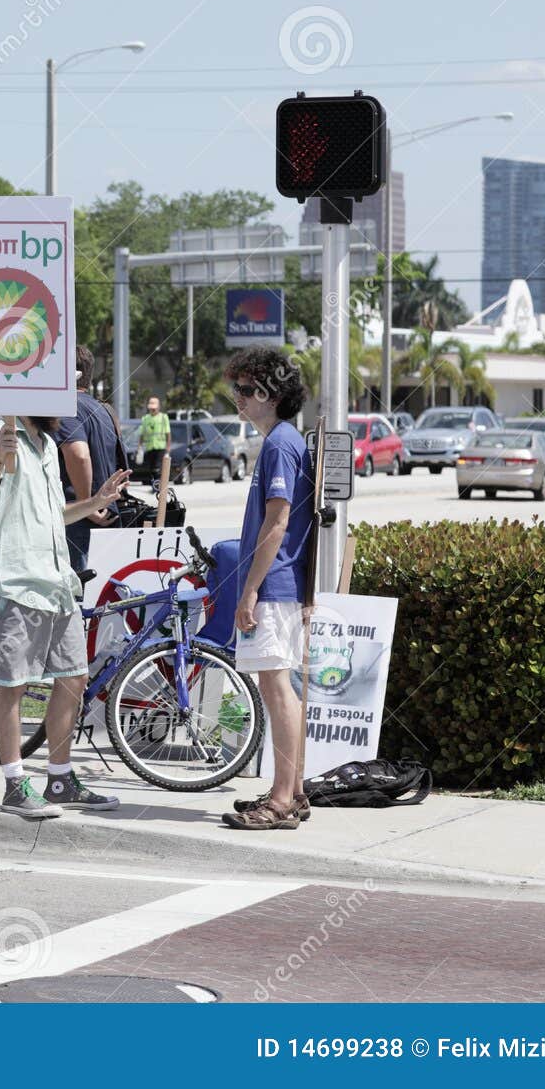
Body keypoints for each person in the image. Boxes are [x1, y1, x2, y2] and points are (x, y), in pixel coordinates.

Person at [0, 414, 130, 818]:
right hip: (12, 581)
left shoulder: (48, 447)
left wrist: (95, 503)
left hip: (56, 582)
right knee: (12, 684)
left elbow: (54, 513)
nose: (66, 407)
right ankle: (15, 783)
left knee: (74, 677)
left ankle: (60, 778)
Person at [221, 346, 315, 832]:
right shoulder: (284, 440)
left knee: (277, 689)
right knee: (279, 687)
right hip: (281, 584)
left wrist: (250, 590)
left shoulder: (280, 443)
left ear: (268, 393)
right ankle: (292, 791)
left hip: (274, 584)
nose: (237, 398)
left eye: (244, 389)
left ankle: (281, 799)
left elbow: (276, 522)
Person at [52, 347, 124, 572]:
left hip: (78, 520)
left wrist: (87, 505)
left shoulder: (66, 406)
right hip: (107, 515)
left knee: (78, 599)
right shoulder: (105, 410)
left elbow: (79, 454)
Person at [136, 396, 170, 489]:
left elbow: (168, 434)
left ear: (158, 407)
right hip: (149, 447)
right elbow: (142, 434)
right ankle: (154, 486)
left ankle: (158, 486)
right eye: (151, 408)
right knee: (151, 469)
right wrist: (139, 448)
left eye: (154, 408)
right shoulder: (145, 418)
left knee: (157, 468)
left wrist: (168, 450)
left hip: (160, 447)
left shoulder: (163, 417)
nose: (153, 410)